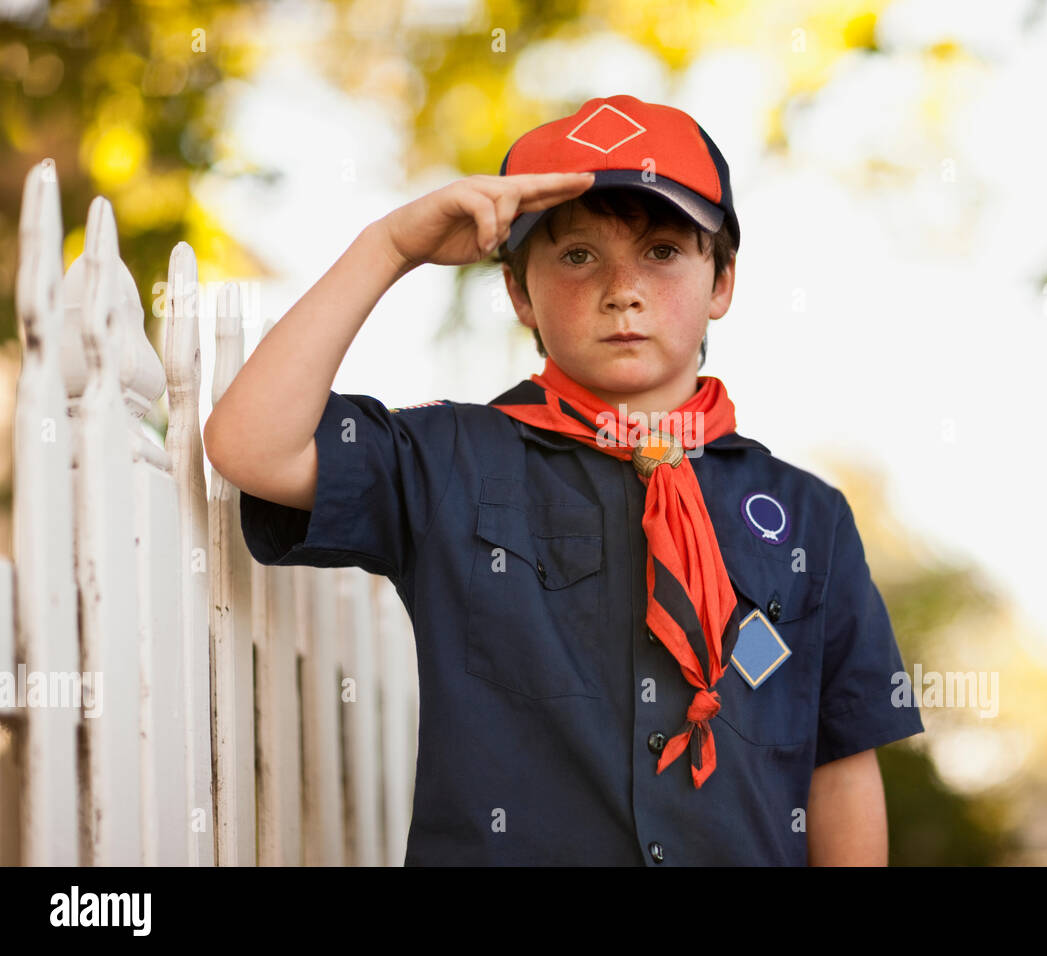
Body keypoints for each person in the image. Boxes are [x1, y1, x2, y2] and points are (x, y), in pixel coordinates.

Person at [205, 93, 924, 866]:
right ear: (519, 293)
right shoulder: (451, 458)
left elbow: (841, 768)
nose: (623, 289)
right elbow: (252, 446)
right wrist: (390, 247)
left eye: (662, 251)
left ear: (722, 281)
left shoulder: (808, 518)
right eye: (577, 255)